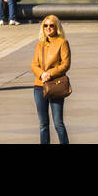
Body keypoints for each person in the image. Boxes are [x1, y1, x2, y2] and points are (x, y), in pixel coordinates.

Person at [31, 15, 70, 145]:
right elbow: (34, 64)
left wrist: (50, 74)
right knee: (43, 124)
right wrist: (42, 74)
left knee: (58, 123)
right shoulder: (39, 45)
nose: (48, 28)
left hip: (55, 85)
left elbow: (65, 64)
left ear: (56, 27)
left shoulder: (62, 42)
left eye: (51, 25)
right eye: (45, 25)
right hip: (39, 86)